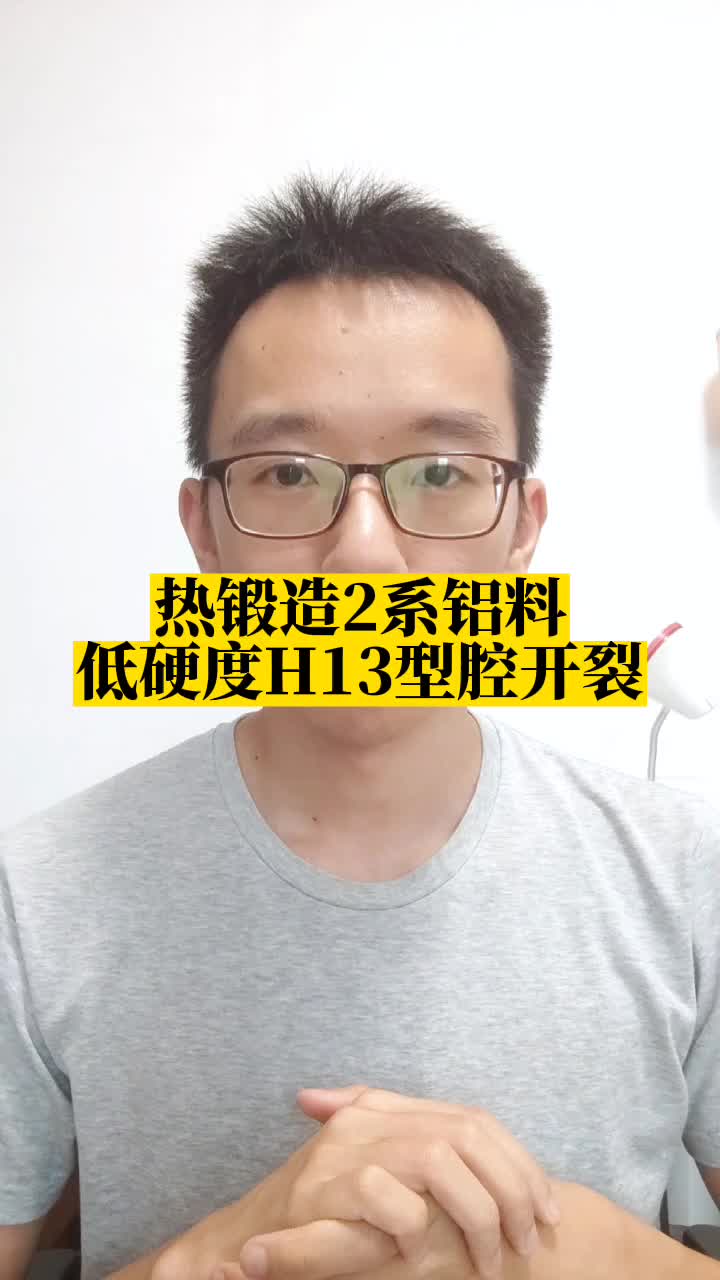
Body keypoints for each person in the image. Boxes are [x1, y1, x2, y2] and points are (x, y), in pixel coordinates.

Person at [2, 172, 719, 1280]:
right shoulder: (35, 899)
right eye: (289, 472)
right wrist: (214, 1256)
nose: (366, 553)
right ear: (205, 531)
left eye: (443, 472)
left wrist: (601, 1252)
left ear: (522, 527)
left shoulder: (687, 876)